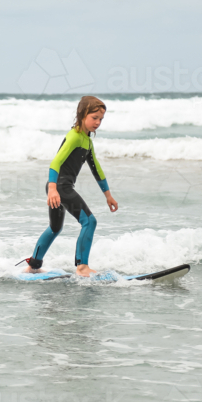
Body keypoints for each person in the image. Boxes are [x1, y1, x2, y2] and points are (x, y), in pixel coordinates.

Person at [20, 95, 118, 277]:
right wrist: (52, 189)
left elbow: (97, 168)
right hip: (59, 188)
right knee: (89, 221)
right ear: (82, 115)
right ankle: (82, 267)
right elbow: (55, 162)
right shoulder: (74, 137)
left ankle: (33, 265)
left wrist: (108, 195)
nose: (98, 122)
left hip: (59, 188)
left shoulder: (87, 141)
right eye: (94, 118)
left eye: (101, 119)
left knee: (55, 228)